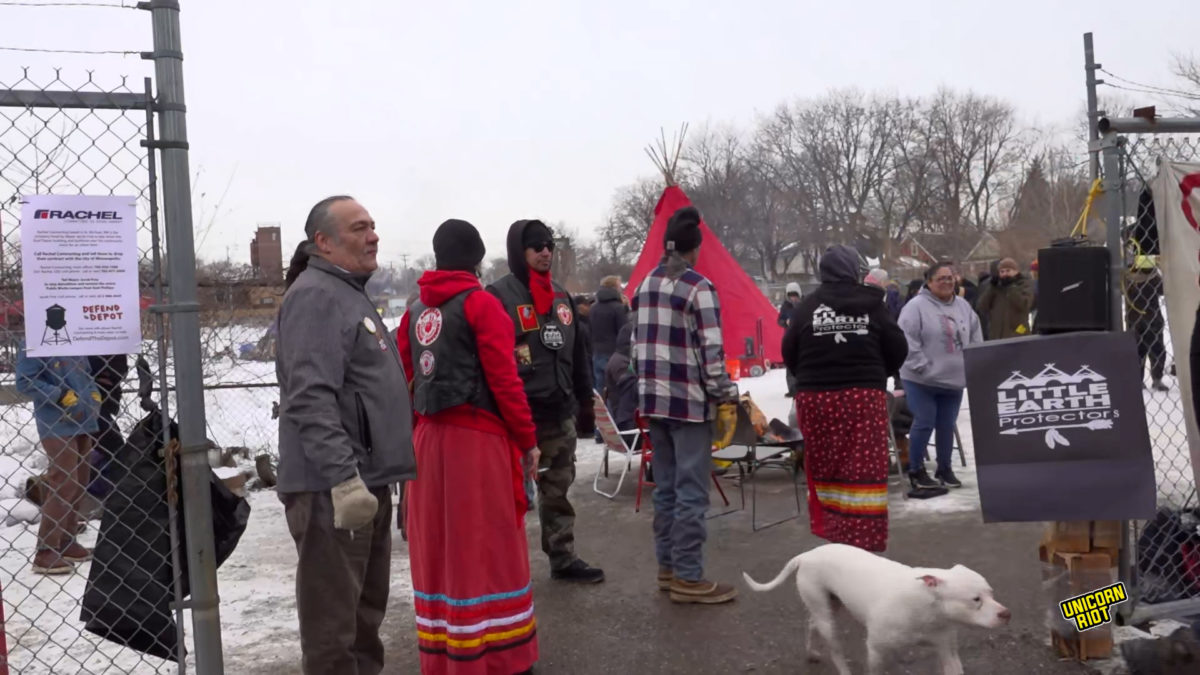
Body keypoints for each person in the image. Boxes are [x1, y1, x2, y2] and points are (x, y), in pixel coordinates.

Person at [276, 195, 416, 674]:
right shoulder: (317, 295)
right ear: (324, 242)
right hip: (331, 489)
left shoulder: (347, 292)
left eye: (373, 225)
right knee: (334, 631)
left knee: (363, 621)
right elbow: (308, 395)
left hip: (363, 480)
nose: (373, 235)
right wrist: (344, 479)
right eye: (359, 228)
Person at [399, 219, 539, 675]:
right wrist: (528, 440)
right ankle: (498, 657)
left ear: (437, 258)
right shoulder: (482, 305)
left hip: (427, 442)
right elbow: (504, 381)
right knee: (488, 546)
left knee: (440, 549)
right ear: (478, 259)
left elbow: (406, 376)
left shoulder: (415, 310)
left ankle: (446, 656)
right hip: (477, 442)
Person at [632, 205, 740, 604]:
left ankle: (668, 569)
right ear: (694, 249)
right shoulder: (699, 288)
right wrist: (726, 395)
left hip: (654, 404)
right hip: (691, 407)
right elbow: (711, 353)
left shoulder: (644, 286)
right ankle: (689, 579)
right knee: (693, 493)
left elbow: (635, 347)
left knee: (666, 490)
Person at [487, 219, 604, 584]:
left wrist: (585, 403)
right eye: (536, 245)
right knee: (507, 498)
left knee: (558, 490)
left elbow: (579, 355)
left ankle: (562, 556)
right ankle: (503, 568)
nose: (545, 252)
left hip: (559, 410)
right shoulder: (497, 297)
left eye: (549, 245)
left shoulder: (561, 298)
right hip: (516, 416)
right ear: (518, 252)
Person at [782, 245, 908, 552]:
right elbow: (897, 348)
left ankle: (834, 543)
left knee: (828, 468)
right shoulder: (873, 305)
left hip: (816, 400)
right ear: (855, 271)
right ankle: (864, 544)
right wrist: (878, 372)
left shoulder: (807, 307)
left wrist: (813, 377)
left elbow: (789, 352)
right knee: (864, 471)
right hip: (862, 398)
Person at [16, 332, 101, 575]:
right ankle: (45, 549)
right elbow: (25, 381)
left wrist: (93, 393)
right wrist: (60, 394)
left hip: (84, 418)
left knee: (81, 479)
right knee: (64, 481)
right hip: (56, 422)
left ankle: (65, 539)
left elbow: (84, 375)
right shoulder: (34, 341)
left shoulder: (74, 339)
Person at [898, 262, 983, 491]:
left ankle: (944, 468)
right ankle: (916, 470)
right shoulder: (915, 307)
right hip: (921, 378)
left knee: (946, 424)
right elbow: (907, 339)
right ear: (929, 282)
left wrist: (974, 360)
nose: (946, 282)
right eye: (940, 279)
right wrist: (922, 366)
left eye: (950, 278)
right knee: (924, 421)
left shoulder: (963, 306)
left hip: (953, 378)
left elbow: (975, 333)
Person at [86, 353, 129, 501]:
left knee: (114, 446)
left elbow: (120, 369)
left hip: (100, 400)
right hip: (85, 399)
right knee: (112, 445)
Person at [1128, 257, 1169, 391]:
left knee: (1137, 351)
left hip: (1134, 320)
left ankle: (1138, 379)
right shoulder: (1153, 278)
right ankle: (1156, 379)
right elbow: (1163, 290)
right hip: (1153, 319)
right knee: (1156, 350)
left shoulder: (1128, 277)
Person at [975, 258, 1034, 340]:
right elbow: (982, 306)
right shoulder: (996, 288)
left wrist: (1011, 287)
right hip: (998, 337)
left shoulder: (1023, 284)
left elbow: (1025, 304)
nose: (1005, 274)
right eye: (1002, 272)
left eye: (1008, 271)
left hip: (1019, 334)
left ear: (1016, 271)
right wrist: (992, 288)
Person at [589, 275, 629, 396]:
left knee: (600, 391)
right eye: (619, 286)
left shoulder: (593, 308)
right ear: (614, 288)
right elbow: (624, 332)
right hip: (614, 354)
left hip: (596, 353)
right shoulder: (619, 308)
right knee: (615, 393)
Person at [603, 321, 638, 436]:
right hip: (628, 427)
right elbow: (630, 398)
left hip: (624, 421)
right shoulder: (623, 364)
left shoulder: (618, 358)